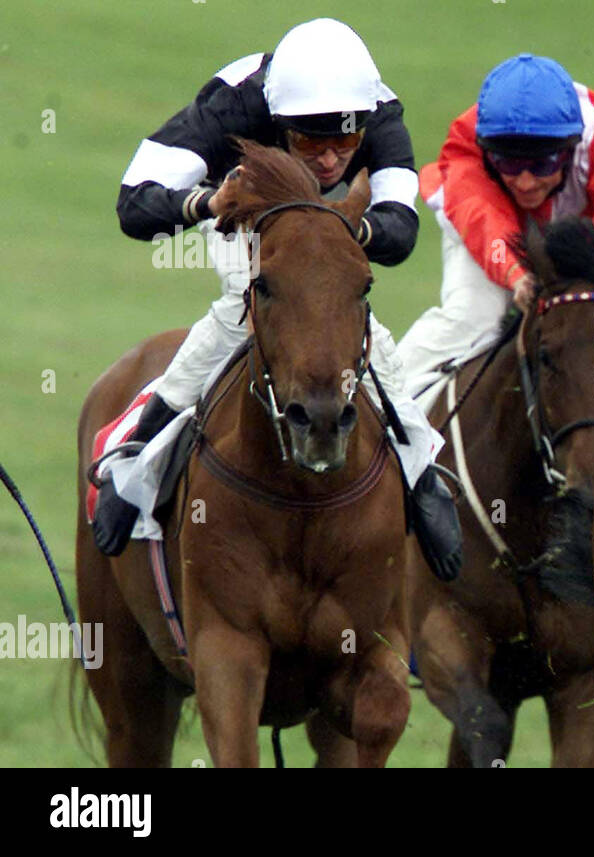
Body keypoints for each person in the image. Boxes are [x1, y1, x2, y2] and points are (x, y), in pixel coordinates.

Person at [95, 18, 460, 579]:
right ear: (279, 121)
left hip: (333, 226)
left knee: (343, 313)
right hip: (241, 210)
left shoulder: (380, 112)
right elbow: (133, 204)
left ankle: (418, 473)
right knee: (247, 307)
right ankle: (139, 456)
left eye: (346, 140)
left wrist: (343, 234)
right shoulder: (233, 106)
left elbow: (401, 230)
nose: (332, 159)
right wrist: (206, 203)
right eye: (312, 140)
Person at [395, 53, 594, 404]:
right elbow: (483, 219)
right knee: (474, 317)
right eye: (508, 163)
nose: (526, 182)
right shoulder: (466, 144)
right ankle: (387, 402)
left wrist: (585, 257)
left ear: (571, 147)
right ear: (487, 151)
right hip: (489, 238)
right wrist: (516, 274)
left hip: (579, 235)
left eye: (542, 163)